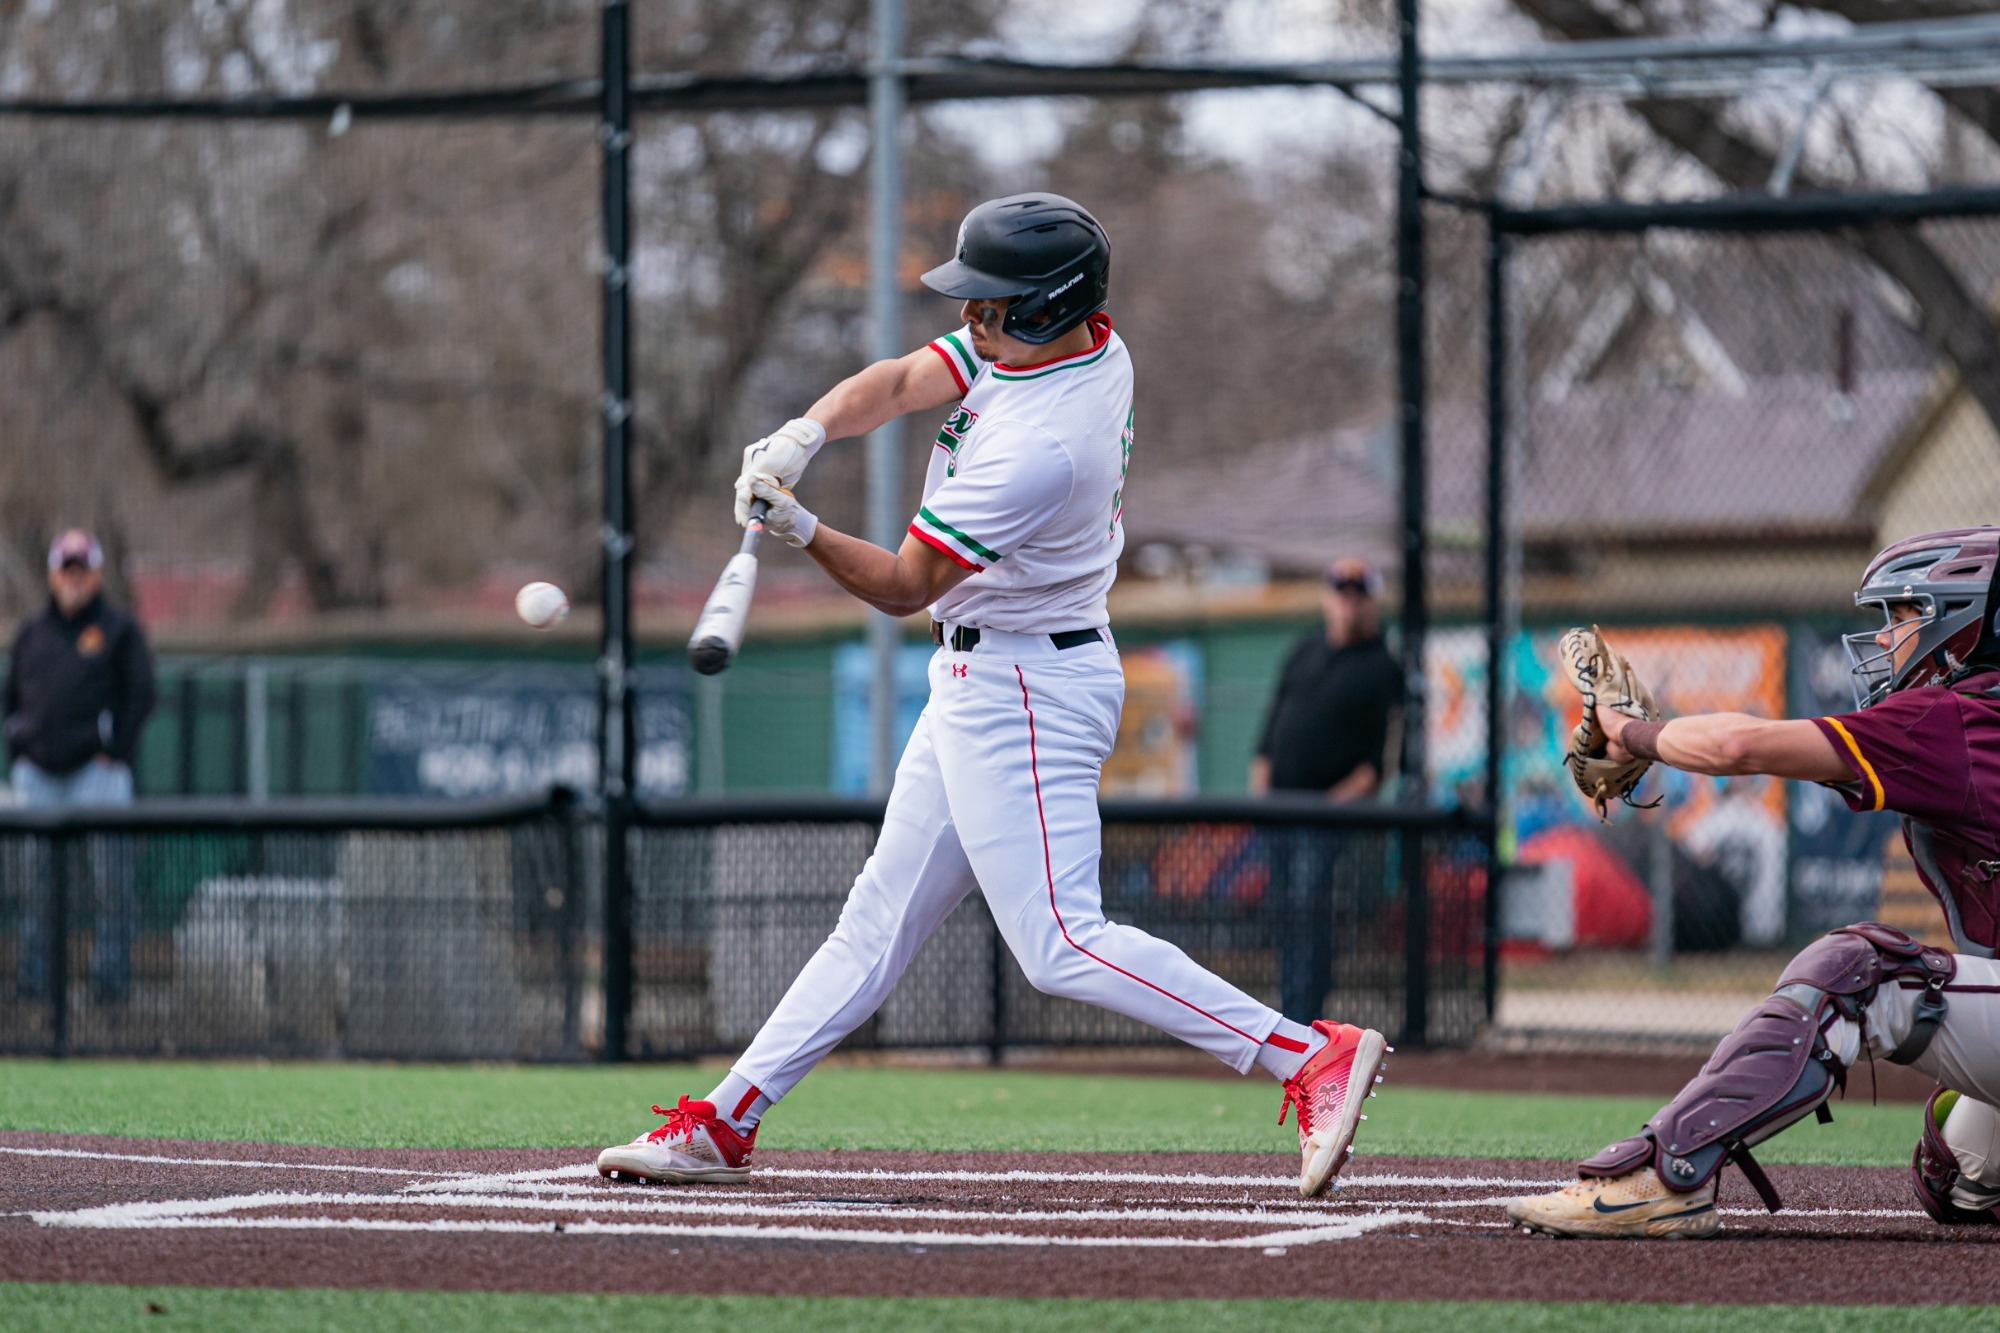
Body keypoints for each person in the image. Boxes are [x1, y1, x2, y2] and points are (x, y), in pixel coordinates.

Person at [596, 193, 1390, 1198]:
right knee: (876, 920)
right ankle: (726, 1117)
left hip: (1026, 683)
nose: (971, 317)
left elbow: (902, 585)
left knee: (1059, 942)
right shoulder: (1072, 343)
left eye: (991, 302)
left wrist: (799, 528)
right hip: (986, 671)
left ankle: (1304, 1053)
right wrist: (806, 431)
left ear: (1045, 306)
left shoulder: (1043, 446)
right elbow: (898, 381)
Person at [1507, 526, 2000, 1239]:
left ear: (1967, 625)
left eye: (1903, 615)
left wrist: (1629, 732)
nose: (1886, 638)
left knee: (1861, 972)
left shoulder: (1956, 719)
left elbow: (1738, 745)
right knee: (1958, 1169)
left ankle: (1662, 1176)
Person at [1250, 557, 1403, 1023]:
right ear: (1328, 598)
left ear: (1372, 603)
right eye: (1341, 592)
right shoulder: (1304, 649)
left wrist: (1333, 805)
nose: (1349, 602)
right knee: (1284, 913)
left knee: (1308, 908)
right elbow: (1270, 730)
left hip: (1328, 815)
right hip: (1279, 809)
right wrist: (1260, 790)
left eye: (1359, 594)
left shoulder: (1382, 666)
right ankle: (1287, 1011)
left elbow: (1377, 764)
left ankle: (1306, 1015)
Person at [6, 529, 156, 1003]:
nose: (74, 578)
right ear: (53, 575)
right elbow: (12, 698)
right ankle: (36, 984)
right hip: (38, 775)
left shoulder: (118, 628)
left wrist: (117, 749)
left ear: (96, 574)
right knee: (35, 888)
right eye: (66, 569)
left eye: (82, 569)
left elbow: (141, 693)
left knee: (111, 885)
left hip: (97, 773)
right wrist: (20, 746)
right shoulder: (32, 633)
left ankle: (110, 985)